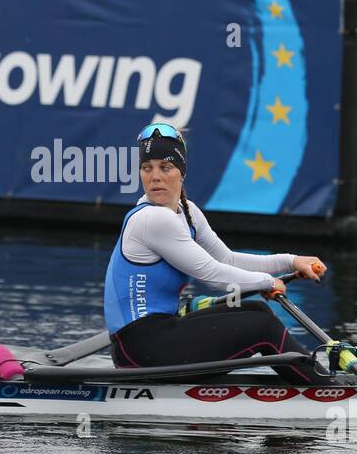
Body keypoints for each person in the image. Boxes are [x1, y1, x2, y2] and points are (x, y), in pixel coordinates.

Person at [104, 123, 331, 385]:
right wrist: (267, 282)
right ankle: (325, 390)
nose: (155, 177)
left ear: (181, 172)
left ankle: (317, 381)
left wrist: (291, 261)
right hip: (140, 350)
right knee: (264, 328)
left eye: (165, 168)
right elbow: (212, 275)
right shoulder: (152, 219)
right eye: (147, 168)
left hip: (158, 334)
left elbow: (227, 260)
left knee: (258, 310)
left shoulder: (187, 212)